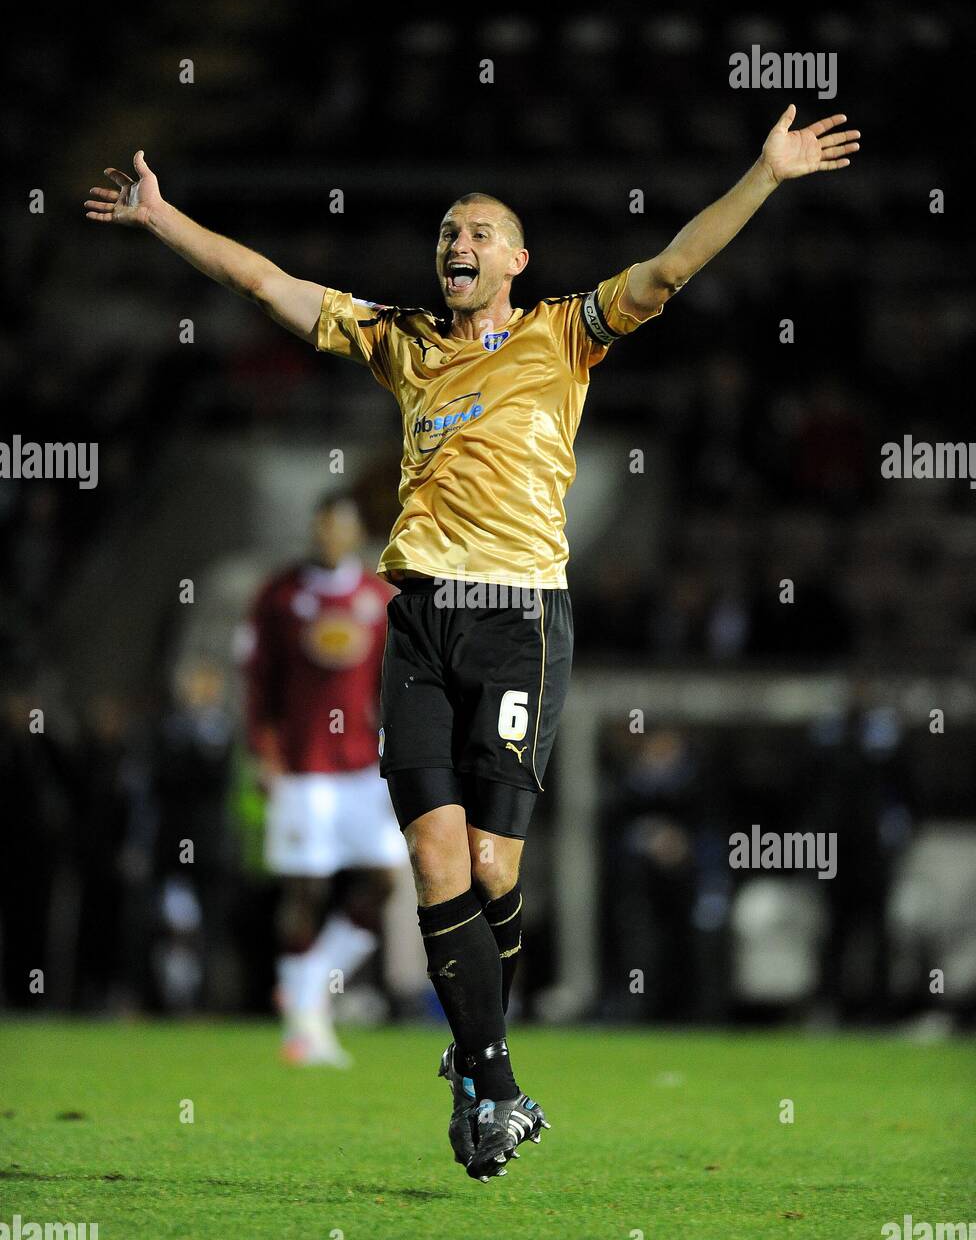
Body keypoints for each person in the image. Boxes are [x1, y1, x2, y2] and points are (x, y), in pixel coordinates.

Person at [85, 102, 860, 1179]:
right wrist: (167, 221)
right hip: (415, 620)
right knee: (434, 856)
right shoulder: (400, 340)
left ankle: (480, 1060)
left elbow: (671, 265)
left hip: (519, 619)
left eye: (478, 232)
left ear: (518, 260)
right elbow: (269, 285)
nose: (457, 244)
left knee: (493, 869)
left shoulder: (565, 332)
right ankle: (489, 1082)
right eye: (448, 232)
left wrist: (765, 174)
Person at [241, 491, 403, 1065]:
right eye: (322, 526)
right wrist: (263, 752)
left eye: (340, 526)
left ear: (358, 534)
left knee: (385, 880)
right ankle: (305, 1025)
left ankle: (307, 989)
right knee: (304, 888)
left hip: (361, 768)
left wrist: (398, 754)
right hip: (302, 766)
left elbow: (393, 690)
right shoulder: (280, 596)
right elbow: (258, 683)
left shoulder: (378, 599)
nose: (329, 535)